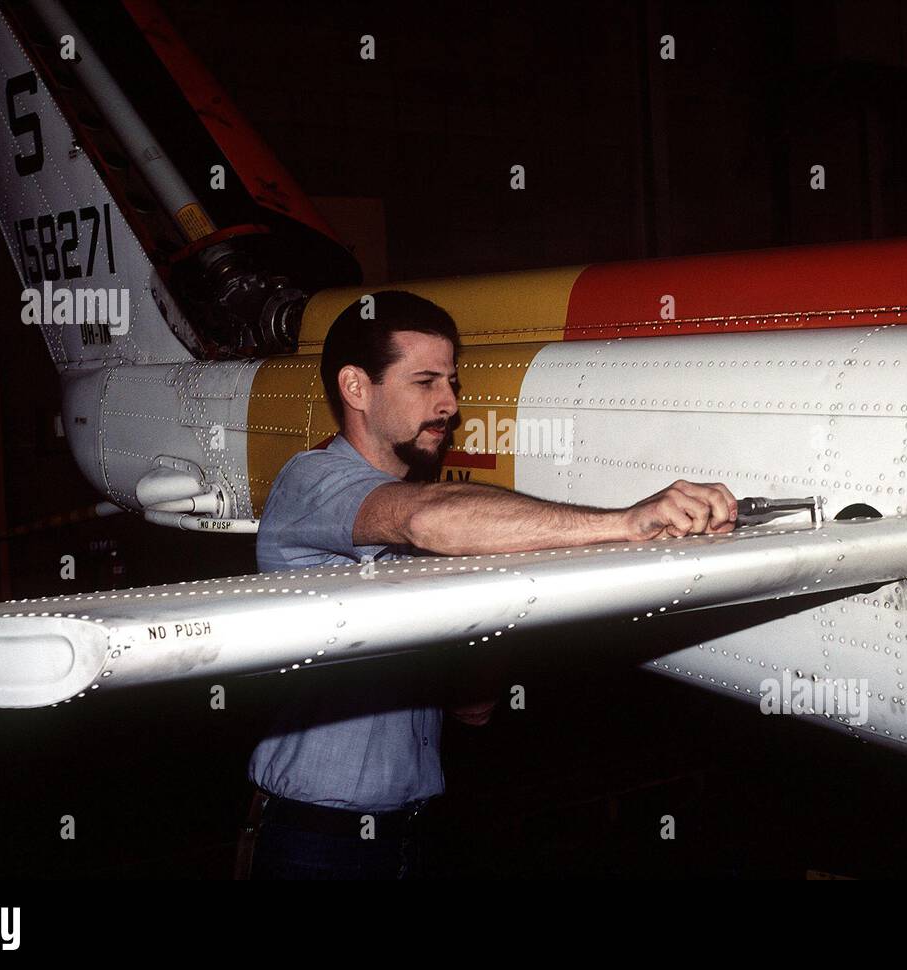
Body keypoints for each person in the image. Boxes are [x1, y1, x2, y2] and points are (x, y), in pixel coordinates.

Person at [247, 289, 739, 879]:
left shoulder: (418, 510)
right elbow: (427, 516)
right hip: (315, 840)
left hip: (413, 827)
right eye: (425, 381)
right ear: (357, 389)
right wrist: (622, 524)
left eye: (452, 382)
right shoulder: (313, 481)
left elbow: (473, 706)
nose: (449, 403)